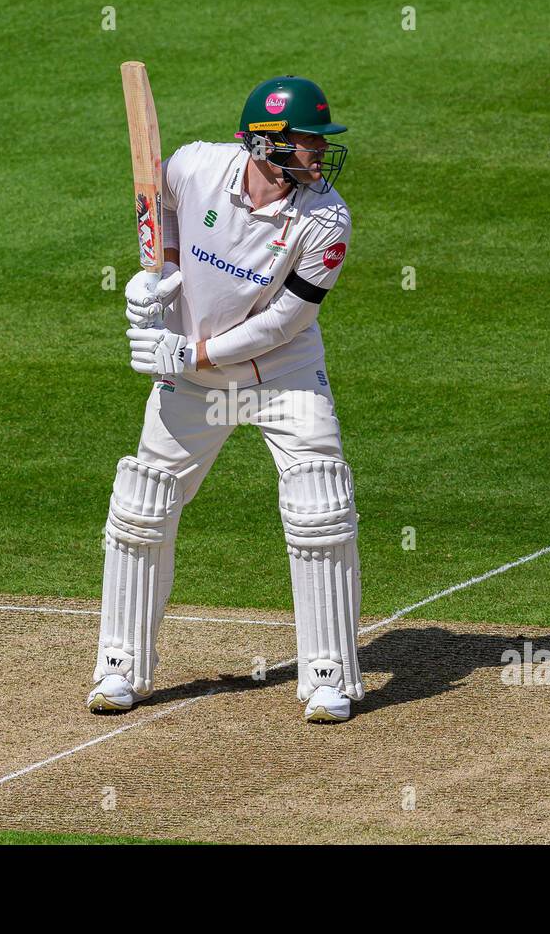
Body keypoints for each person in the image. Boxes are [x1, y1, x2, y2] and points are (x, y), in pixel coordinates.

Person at [88, 75, 361, 723]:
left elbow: (283, 324)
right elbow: (167, 220)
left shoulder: (326, 219)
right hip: (193, 381)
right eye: (306, 143)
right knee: (142, 504)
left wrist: (190, 351)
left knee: (319, 500)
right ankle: (119, 668)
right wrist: (156, 286)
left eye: (321, 143)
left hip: (282, 378)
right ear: (264, 145)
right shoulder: (194, 167)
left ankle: (329, 678)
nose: (319, 155)